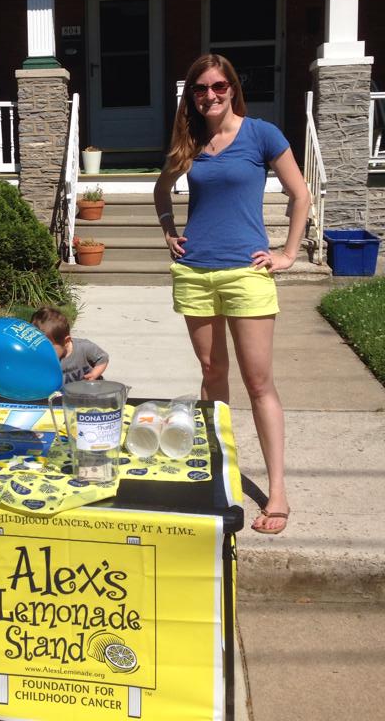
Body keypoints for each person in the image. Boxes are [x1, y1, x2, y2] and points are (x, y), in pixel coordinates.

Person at [153, 53, 310, 535]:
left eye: (219, 86)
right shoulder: (189, 141)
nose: (211, 95)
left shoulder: (261, 134)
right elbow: (161, 191)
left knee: (259, 382)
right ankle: (219, 473)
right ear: (192, 95)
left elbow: (299, 193)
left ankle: (277, 490)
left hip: (247, 273)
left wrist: (287, 253)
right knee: (211, 373)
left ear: (232, 88)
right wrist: (168, 229)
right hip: (196, 272)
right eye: (201, 89)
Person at [30, 306, 109, 384]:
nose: (43, 352)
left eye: (48, 347)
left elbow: (103, 358)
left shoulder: (83, 348)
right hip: (65, 394)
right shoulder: (43, 358)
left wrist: (94, 374)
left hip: (90, 391)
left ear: (66, 341)